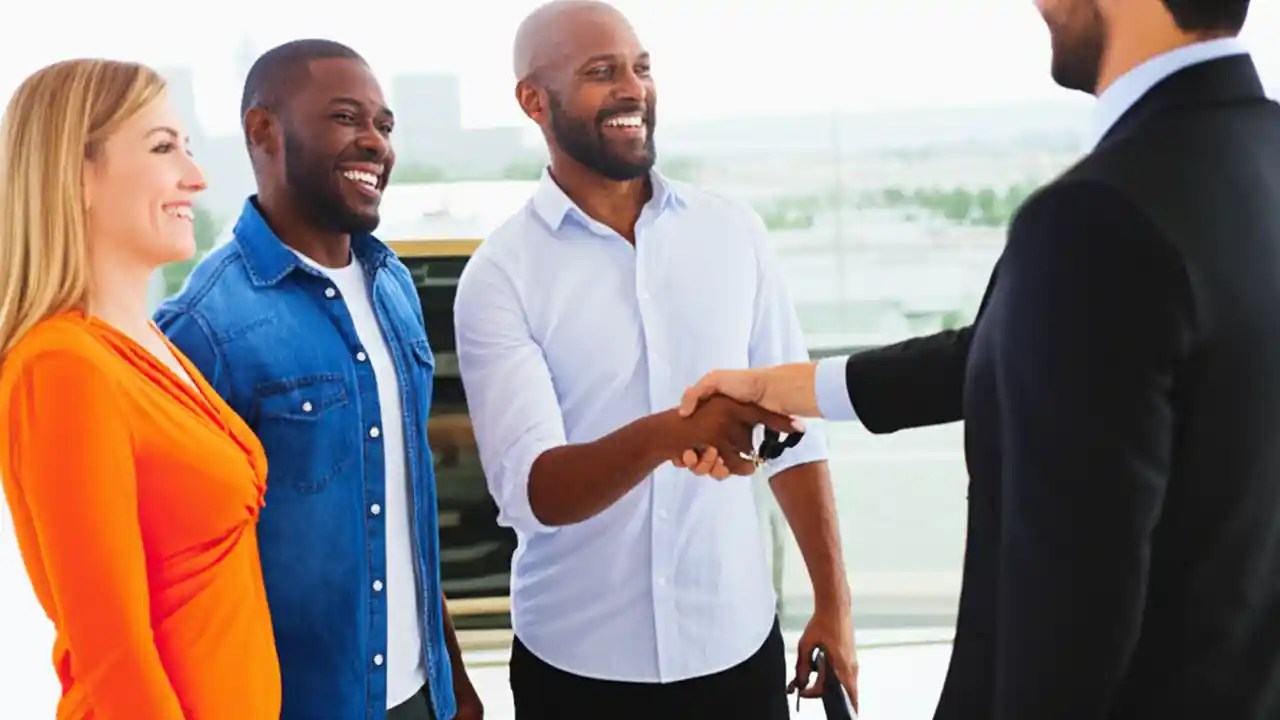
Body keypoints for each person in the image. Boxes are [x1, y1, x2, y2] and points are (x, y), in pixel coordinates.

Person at [680, 0, 1280, 718]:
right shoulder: (1255, 155)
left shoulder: (1097, 218)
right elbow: (1035, 355)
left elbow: (1070, 623)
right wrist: (786, 387)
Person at [452, 2, 856, 718]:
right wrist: (674, 432)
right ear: (533, 101)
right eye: (601, 72)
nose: (632, 89)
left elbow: (799, 436)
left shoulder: (733, 232)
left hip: (736, 649)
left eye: (640, 68)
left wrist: (834, 604)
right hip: (577, 669)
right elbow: (537, 494)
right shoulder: (501, 274)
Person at [154, 40, 480, 720]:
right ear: (262, 130)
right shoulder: (201, 328)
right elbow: (172, 578)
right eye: (345, 118)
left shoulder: (393, 286)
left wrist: (453, 679)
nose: (375, 143)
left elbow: (403, 506)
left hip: (422, 698)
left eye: (384, 125)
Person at [0, 59, 280, 719]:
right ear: (77, 175)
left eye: (187, 146)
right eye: (162, 148)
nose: (196, 176)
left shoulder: (147, 345)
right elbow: (113, 653)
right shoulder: (63, 367)